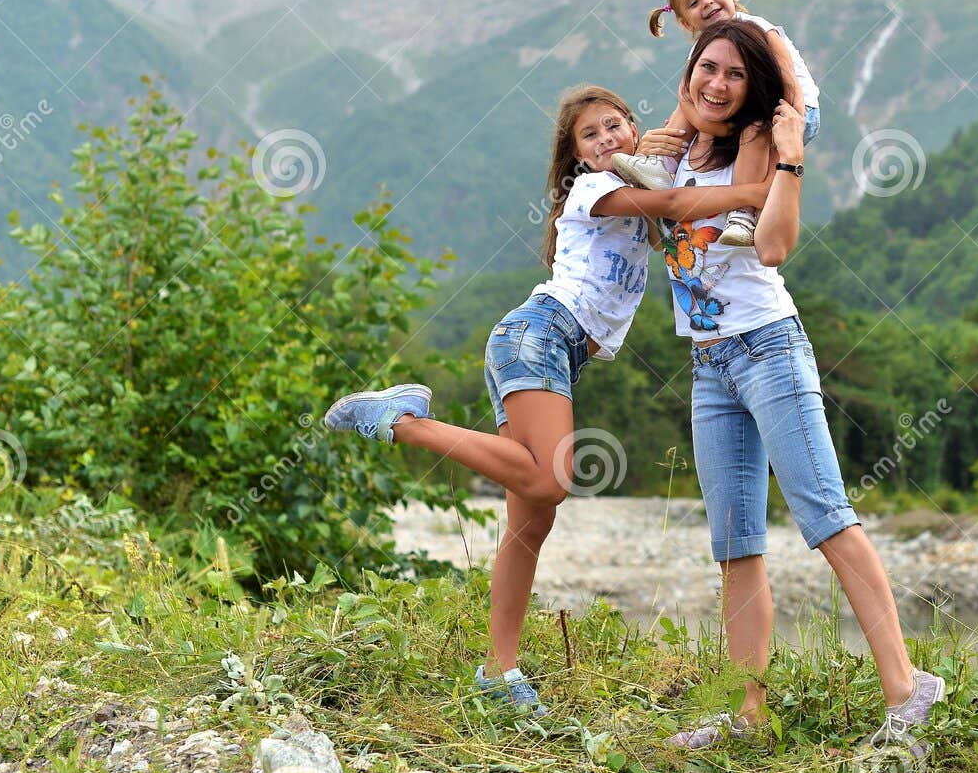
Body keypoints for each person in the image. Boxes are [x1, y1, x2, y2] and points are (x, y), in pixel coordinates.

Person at [322, 85, 766, 717]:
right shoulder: (593, 193)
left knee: (531, 523)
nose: (608, 138)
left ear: (636, 130)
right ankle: (402, 423)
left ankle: (497, 673)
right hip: (536, 337)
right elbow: (669, 199)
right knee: (551, 482)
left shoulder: (638, 176)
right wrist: (752, 194)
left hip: (551, 351)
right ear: (578, 158)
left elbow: (683, 140)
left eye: (617, 126)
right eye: (592, 135)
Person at [633, 19, 943, 750]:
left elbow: (771, 248)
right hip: (707, 363)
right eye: (706, 67)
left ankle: (907, 689)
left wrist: (793, 159)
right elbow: (649, 231)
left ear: (755, 91)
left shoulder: (763, 152)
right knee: (735, 544)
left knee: (825, 515)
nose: (716, 83)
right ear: (688, 74)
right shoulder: (671, 156)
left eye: (735, 75)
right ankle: (747, 715)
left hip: (769, 348)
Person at [615, 0, 819, 248]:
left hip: (795, 112)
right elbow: (686, 99)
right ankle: (663, 165)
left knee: (754, 131)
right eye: (694, 3)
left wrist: (791, 130)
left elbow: (789, 83)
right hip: (747, 113)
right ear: (686, 21)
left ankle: (742, 214)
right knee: (691, 104)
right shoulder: (703, 48)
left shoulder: (758, 28)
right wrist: (705, 129)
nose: (707, 3)